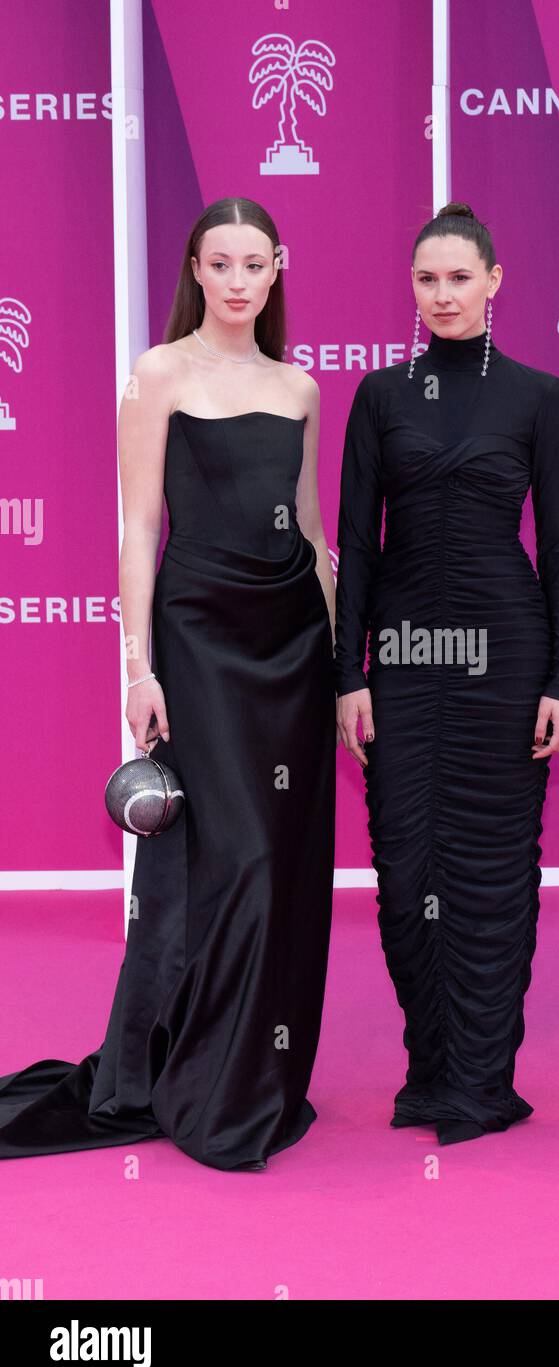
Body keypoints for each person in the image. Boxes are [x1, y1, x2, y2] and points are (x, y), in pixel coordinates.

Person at [0, 197, 336, 1172]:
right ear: (194, 269)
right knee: (229, 861)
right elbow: (139, 529)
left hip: (291, 648)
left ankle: (259, 1074)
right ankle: (201, 1076)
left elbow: (312, 536)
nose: (236, 282)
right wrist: (137, 666)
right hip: (199, 636)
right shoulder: (158, 374)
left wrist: (344, 658)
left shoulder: (300, 389)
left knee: (282, 863)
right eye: (218, 264)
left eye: (253, 266)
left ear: (276, 270)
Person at [335, 202, 559, 1146]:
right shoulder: (380, 395)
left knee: (492, 869)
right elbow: (358, 543)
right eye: (427, 280)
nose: (443, 295)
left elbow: (558, 542)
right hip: (400, 658)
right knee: (406, 865)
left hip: (505, 656)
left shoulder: (537, 395)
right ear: (414, 288)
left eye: (459, 278)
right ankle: (430, 1066)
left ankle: (481, 1078)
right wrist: (348, 671)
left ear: (494, 281)